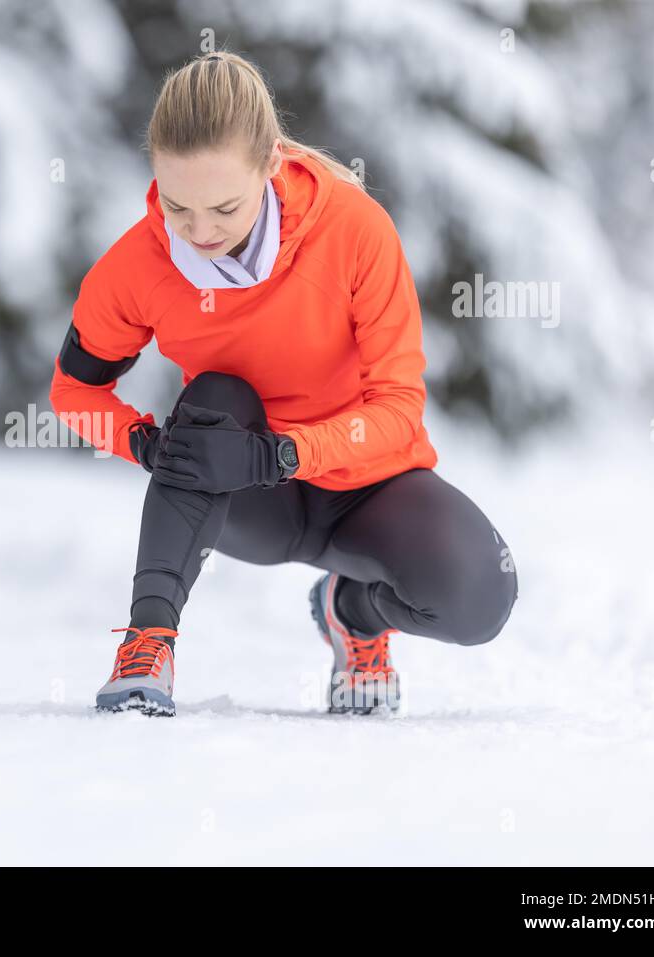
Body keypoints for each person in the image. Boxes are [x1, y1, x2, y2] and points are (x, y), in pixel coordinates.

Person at [49, 50, 519, 716]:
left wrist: (285, 452)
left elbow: (398, 407)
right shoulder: (135, 267)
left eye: (224, 206)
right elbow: (73, 393)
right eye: (178, 206)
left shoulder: (354, 231)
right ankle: (147, 644)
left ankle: (352, 610)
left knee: (480, 599)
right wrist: (149, 446)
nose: (200, 231)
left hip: (365, 488)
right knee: (215, 396)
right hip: (245, 497)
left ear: (271, 165)